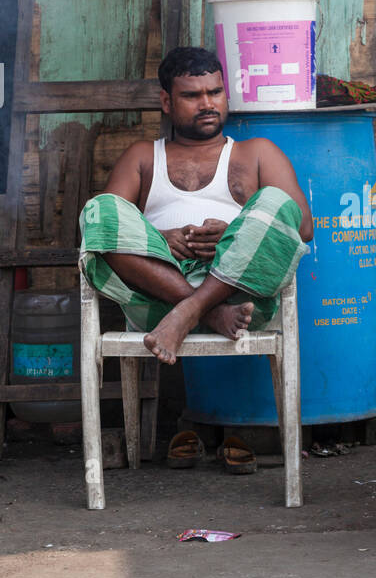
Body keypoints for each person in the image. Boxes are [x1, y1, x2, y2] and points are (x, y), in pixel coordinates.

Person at [79, 45, 313, 362]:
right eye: (191, 96)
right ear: (166, 102)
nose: (207, 104)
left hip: (242, 304)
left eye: (215, 92)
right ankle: (207, 311)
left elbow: (302, 226)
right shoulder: (142, 156)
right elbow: (104, 230)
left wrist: (236, 236)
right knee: (98, 209)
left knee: (277, 201)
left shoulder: (257, 152)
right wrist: (159, 238)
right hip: (156, 302)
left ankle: (191, 309)